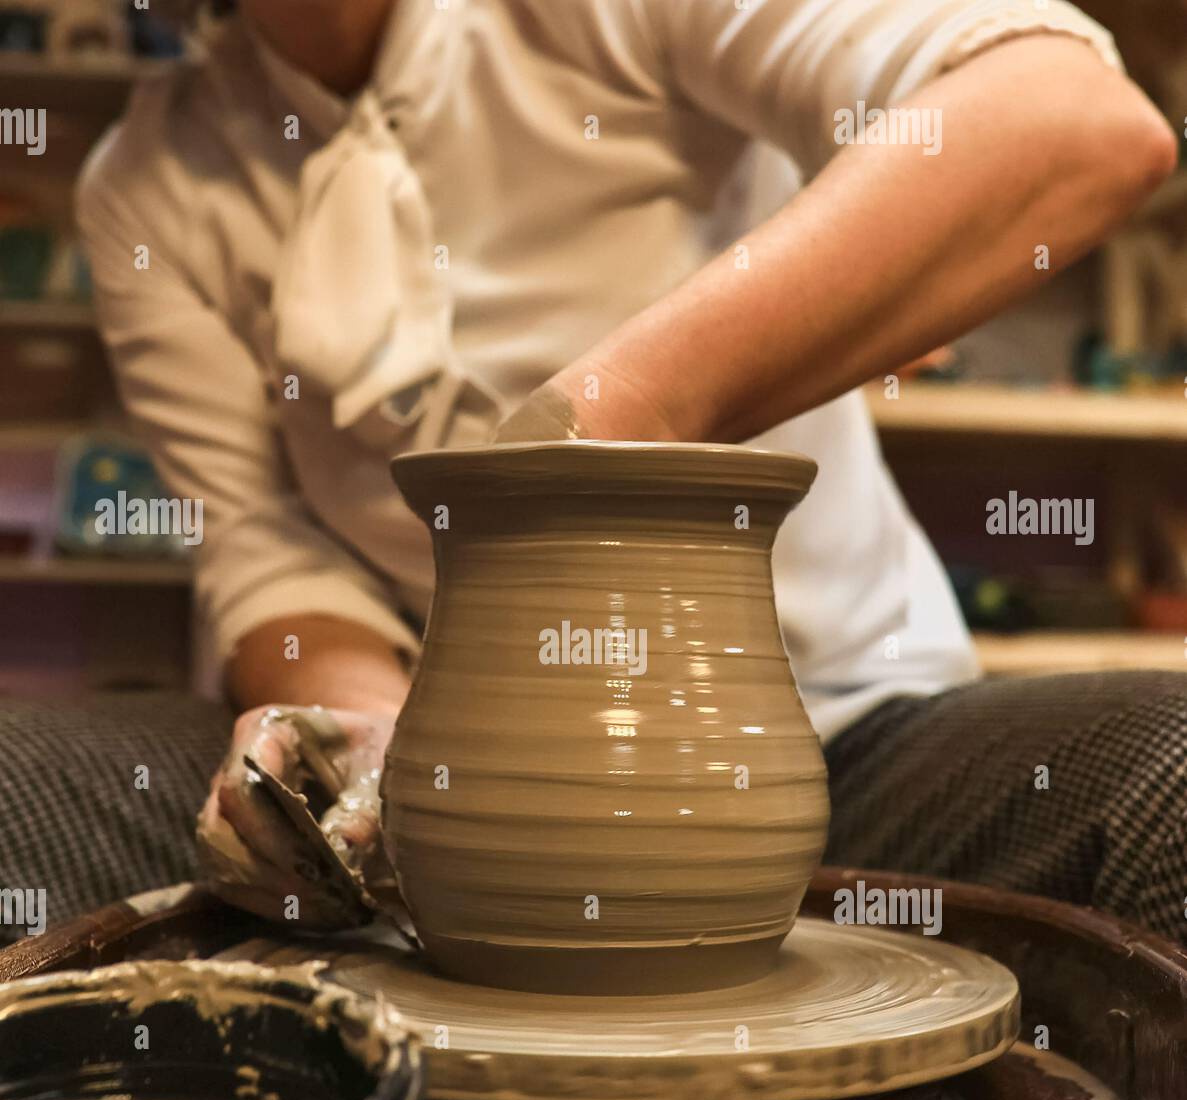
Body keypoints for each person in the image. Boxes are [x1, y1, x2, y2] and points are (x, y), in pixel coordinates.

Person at [21, 0, 1175, 935]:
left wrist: (608, 424)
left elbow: (1070, 119)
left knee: (1164, 776)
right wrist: (361, 741)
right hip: (457, 769)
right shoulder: (152, 180)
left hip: (834, 739)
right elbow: (262, 550)